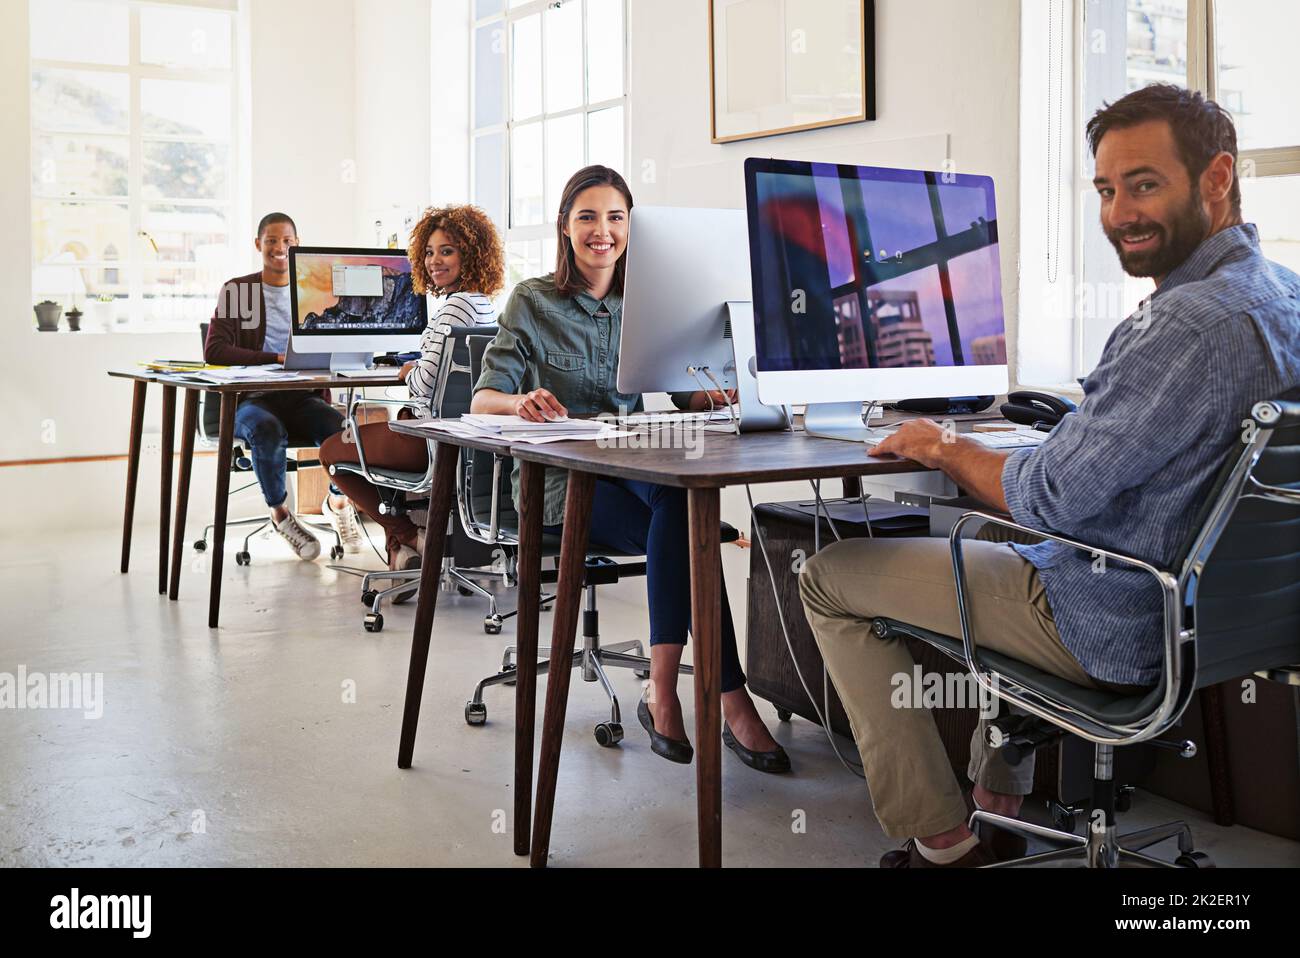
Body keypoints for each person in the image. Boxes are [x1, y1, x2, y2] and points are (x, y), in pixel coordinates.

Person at [798, 84, 1300, 867]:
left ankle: (942, 840)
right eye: (1105, 189)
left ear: (1217, 178)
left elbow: (1047, 498)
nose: (1119, 213)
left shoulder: (1185, 322)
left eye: (1144, 184)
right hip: (1229, 624)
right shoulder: (1283, 299)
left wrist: (941, 447)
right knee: (1004, 549)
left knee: (831, 576)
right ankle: (998, 803)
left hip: (1114, 623)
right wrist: (1062, 434)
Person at [471, 165, 787, 772]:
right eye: (587, 216)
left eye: (616, 217)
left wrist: (711, 392)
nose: (603, 231)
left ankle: (662, 685)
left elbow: (674, 383)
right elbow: (485, 397)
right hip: (565, 482)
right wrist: (520, 402)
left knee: (680, 498)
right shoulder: (533, 301)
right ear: (565, 226)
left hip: (634, 461)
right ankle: (727, 698)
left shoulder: (645, 300)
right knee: (685, 519)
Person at [318, 205, 504, 574]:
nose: (435, 261)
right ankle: (401, 551)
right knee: (395, 424)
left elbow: (425, 384)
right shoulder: (484, 306)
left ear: (471, 254)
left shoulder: (453, 311)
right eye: (430, 252)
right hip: (470, 444)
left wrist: (410, 369)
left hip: (433, 444)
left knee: (330, 451)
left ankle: (410, 537)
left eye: (447, 251)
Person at [205, 213, 364, 560]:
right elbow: (214, 350)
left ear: (297, 245)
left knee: (343, 430)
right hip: (252, 400)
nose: (279, 248)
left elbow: (333, 340)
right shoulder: (239, 291)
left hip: (302, 397)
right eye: (272, 240)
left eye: (287, 241)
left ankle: (337, 502)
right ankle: (281, 516)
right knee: (265, 430)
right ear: (258, 244)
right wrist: (275, 358)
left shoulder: (314, 292)